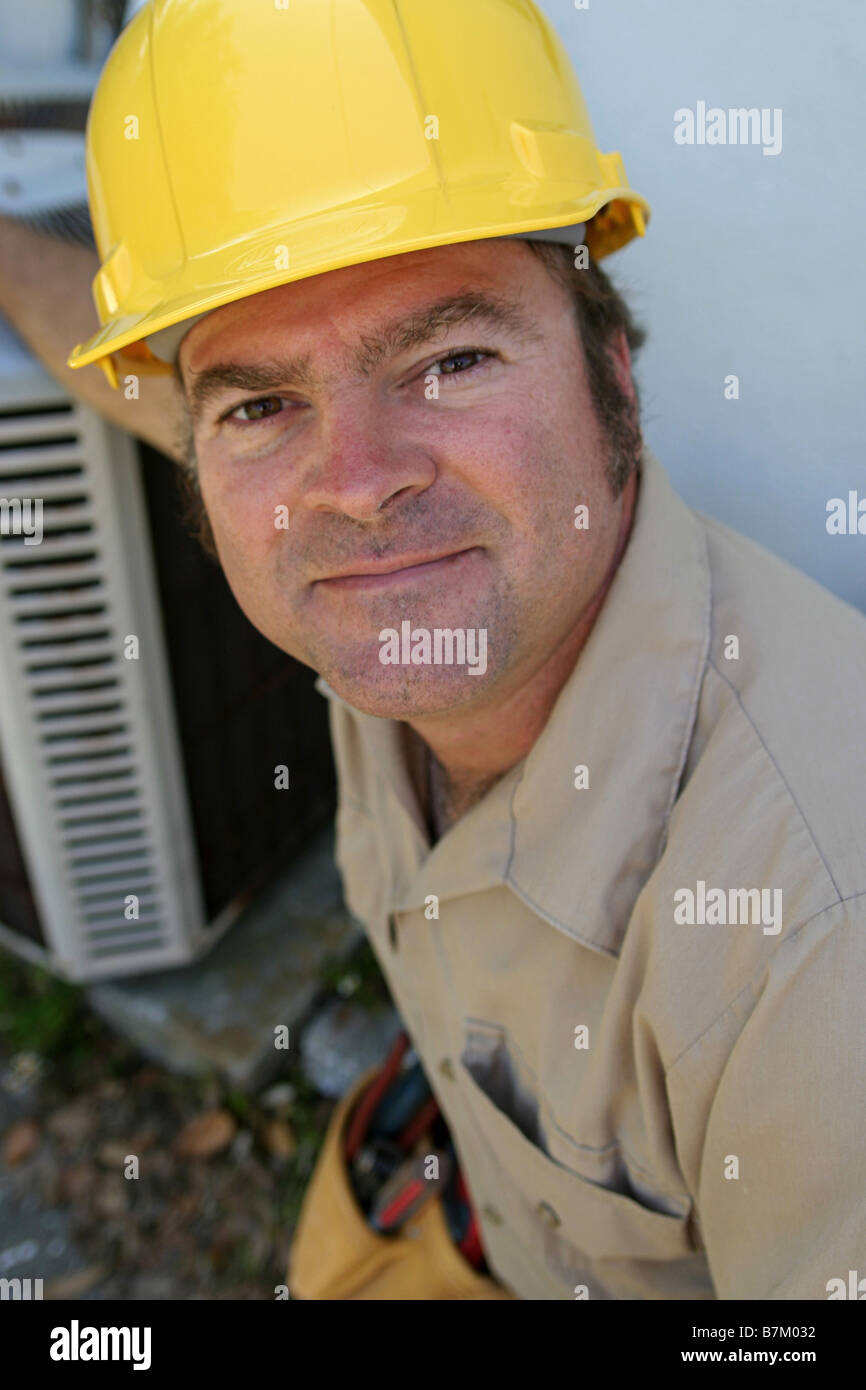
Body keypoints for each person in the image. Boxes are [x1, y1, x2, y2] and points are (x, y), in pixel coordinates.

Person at [4, 0, 866, 1301]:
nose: (352, 483)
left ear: (613, 377)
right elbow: (137, 371)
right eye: (262, 403)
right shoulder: (425, 585)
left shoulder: (811, 954)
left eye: (452, 357)